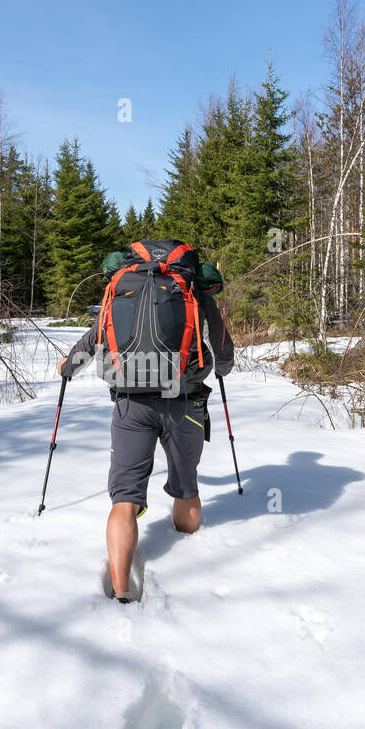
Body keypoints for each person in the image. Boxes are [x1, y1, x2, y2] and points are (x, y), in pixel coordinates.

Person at [57, 243, 235, 602]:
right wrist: (223, 370)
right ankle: (188, 544)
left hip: (130, 403)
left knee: (124, 500)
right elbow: (222, 348)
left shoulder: (123, 288)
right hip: (184, 403)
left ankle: (120, 589)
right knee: (187, 487)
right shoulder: (191, 290)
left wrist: (67, 369)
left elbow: (94, 339)